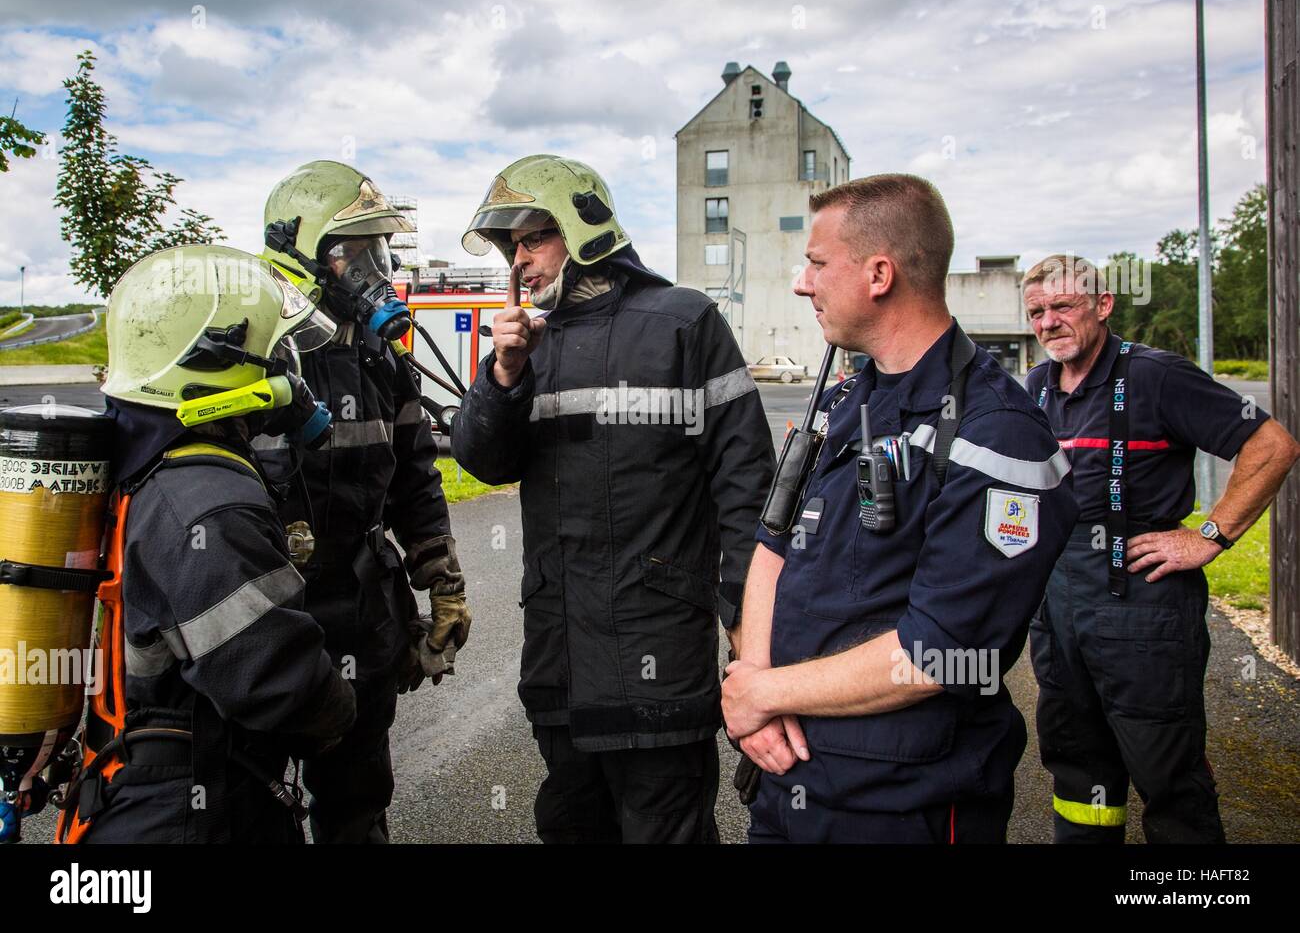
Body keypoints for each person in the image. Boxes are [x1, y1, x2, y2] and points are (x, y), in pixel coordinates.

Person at [721, 174, 1078, 843]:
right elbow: (771, 548)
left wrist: (761, 696)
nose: (804, 284)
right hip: (787, 785)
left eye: (818, 264)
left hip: (898, 808)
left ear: (879, 273)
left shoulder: (995, 432)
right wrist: (756, 695)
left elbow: (939, 652)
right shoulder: (845, 402)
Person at [453, 154, 773, 843]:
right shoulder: (526, 345)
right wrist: (503, 375)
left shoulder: (683, 323)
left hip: (657, 665)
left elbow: (746, 488)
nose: (520, 259)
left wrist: (750, 634)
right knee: (570, 827)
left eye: (533, 237)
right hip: (559, 667)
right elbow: (481, 462)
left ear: (584, 225)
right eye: (512, 246)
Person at [58, 244, 357, 843]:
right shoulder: (208, 503)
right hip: (194, 808)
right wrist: (342, 708)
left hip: (145, 791)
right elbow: (279, 682)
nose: (289, 373)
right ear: (214, 368)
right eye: (274, 354)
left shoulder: (157, 466)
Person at [1022, 253, 1300, 843]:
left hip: (1142, 606)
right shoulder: (1035, 387)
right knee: (1075, 763)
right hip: (1058, 606)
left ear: (1103, 305)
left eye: (1063, 306)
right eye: (1037, 312)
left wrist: (1209, 535)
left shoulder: (1156, 376)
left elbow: (1272, 446)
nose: (1048, 322)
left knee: (1165, 770)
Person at [259, 161, 469, 843]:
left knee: (357, 806)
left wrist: (442, 580)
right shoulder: (258, 348)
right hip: (268, 624)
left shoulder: (383, 355)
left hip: (361, 615)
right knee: (246, 808)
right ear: (302, 252)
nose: (374, 267)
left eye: (381, 249)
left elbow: (415, 478)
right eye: (357, 250)